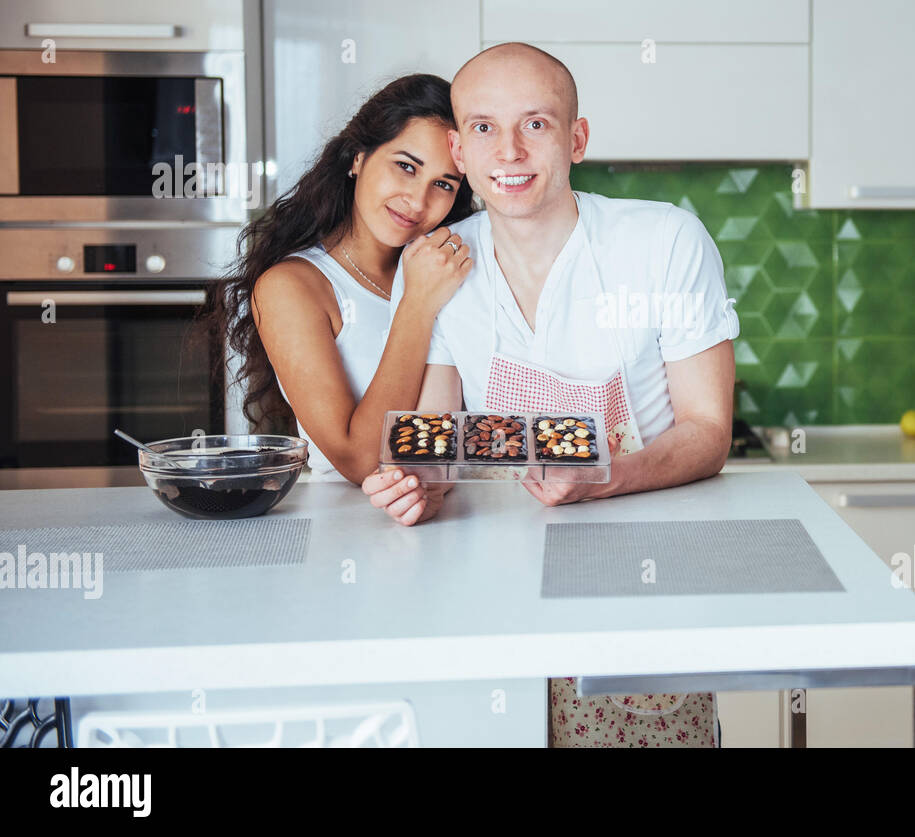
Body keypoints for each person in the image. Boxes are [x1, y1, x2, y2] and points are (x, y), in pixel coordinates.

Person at [362, 43, 739, 747]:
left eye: (535, 124)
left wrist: (607, 476)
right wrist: (418, 485)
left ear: (577, 139)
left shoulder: (662, 242)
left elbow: (708, 430)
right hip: (492, 590)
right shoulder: (440, 265)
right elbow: (438, 442)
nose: (509, 150)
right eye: (484, 127)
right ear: (459, 149)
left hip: (644, 584)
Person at [207, 74, 475, 483]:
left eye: (443, 184)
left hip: (460, 507)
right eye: (406, 167)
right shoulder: (293, 286)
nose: (418, 201)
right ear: (358, 158)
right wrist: (417, 306)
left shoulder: (449, 267)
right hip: (353, 516)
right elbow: (360, 460)